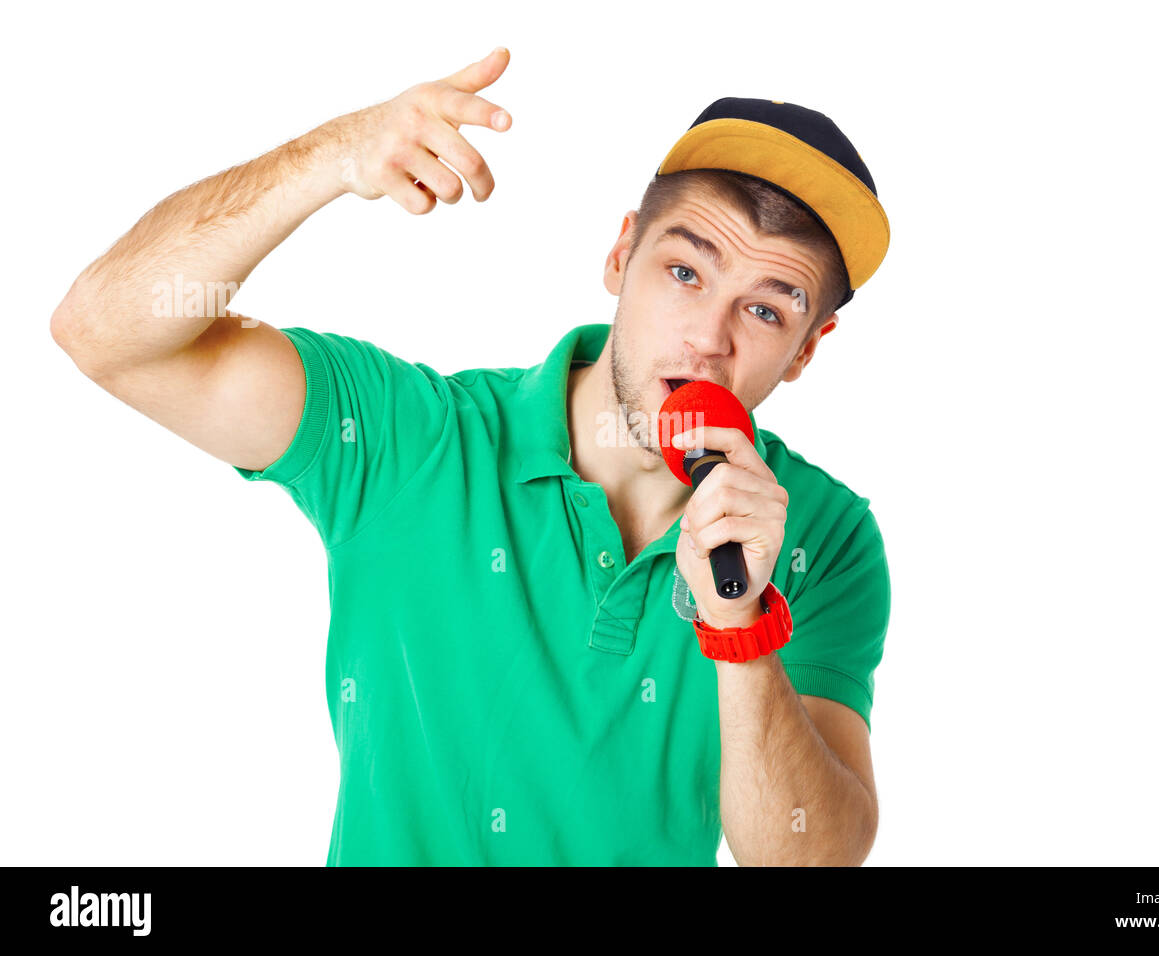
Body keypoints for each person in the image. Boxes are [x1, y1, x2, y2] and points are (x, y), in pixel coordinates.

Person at [50, 47, 892, 866]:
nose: (708, 341)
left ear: (809, 349)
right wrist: (329, 158)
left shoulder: (827, 534)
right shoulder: (407, 437)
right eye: (683, 272)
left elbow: (807, 860)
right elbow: (106, 332)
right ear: (620, 254)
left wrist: (738, 623)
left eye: (767, 313)